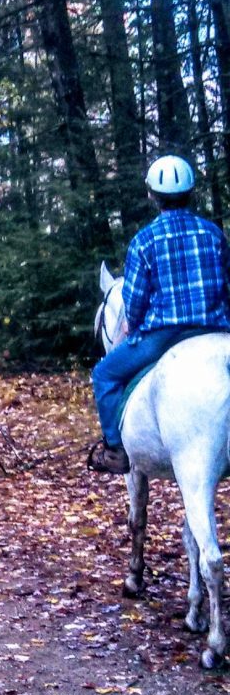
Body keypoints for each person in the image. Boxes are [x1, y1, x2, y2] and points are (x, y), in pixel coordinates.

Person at [89, 155, 230, 474]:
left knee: (104, 375)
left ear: (152, 195)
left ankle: (116, 451)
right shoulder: (213, 234)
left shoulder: (144, 240)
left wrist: (133, 328)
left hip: (164, 334)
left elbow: (134, 301)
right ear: (192, 193)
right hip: (217, 329)